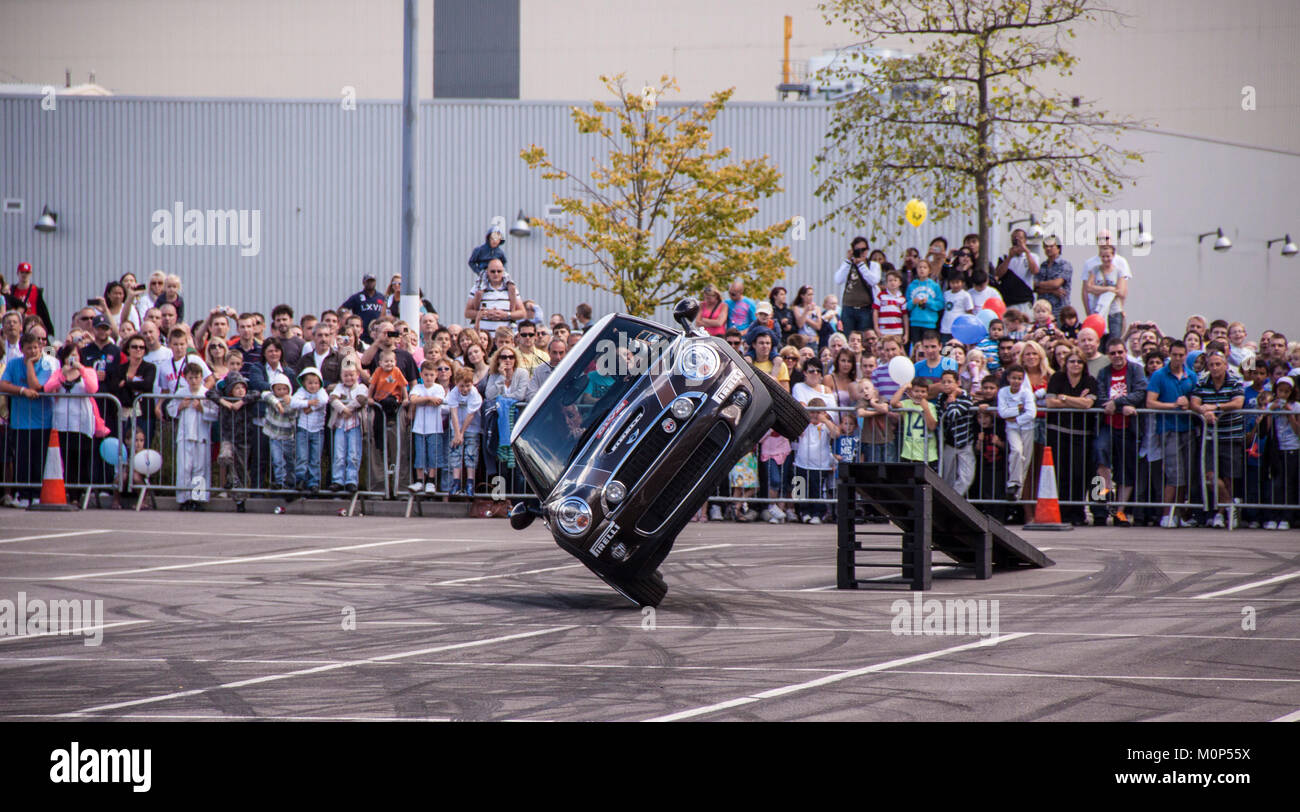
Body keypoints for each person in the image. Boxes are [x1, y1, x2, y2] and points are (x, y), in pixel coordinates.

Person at [1093, 337, 1147, 526]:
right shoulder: (1103, 373)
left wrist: (1117, 403)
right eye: (1113, 353)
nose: (1117, 356)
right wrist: (1119, 406)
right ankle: (1101, 506)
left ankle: (1121, 512)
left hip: (1128, 427)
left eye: (1120, 352)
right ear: (1108, 355)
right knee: (1100, 459)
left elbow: (1140, 392)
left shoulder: (1135, 369)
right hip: (1107, 425)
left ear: (1126, 352)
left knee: (1127, 471)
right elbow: (1100, 397)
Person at [1191, 350, 1246, 528]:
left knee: (1229, 477)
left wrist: (1215, 407)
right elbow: (1194, 403)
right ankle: (1231, 505)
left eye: (1218, 364)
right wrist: (1203, 411)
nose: (1214, 368)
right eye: (1211, 365)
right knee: (1210, 476)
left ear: (1225, 365)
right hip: (1210, 437)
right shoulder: (1202, 381)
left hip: (1231, 435)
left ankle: (1222, 514)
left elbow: (1238, 403)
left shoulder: (1235, 380)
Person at [1045, 348, 1099, 525]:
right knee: (1061, 473)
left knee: (1079, 474)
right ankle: (1062, 513)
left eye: (1079, 362)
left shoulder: (1089, 381)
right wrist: (1076, 400)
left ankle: (1078, 513)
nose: (1075, 365)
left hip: (1081, 435)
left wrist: (1064, 398)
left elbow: (1087, 404)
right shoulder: (1057, 378)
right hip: (1058, 433)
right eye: (1072, 361)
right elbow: (1050, 403)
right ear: (1065, 364)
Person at [167, 363, 217, 510]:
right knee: (184, 468)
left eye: (196, 377)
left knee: (200, 468)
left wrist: (202, 409)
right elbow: (170, 409)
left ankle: (198, 499)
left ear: (201, 377)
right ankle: (184, 499)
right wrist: (180, 406)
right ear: (185, 378)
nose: (194, 381)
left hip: (202, 436)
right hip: (185, 435)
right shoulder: (181, 393)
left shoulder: (207, 393)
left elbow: (215, 413)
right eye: (191, 378)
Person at [208, 371, 258, 511]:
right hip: (228, 438)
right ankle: (229, 476)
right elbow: (209, 393)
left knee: (240, 471)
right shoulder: (225, 399)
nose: (241, 390)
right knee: (225, 456)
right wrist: (223, 401)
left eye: (242, 387)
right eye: (237, 388)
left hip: (244, 440)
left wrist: (242, 401)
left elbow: (257, 393)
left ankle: (240, 500)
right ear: (230, 390)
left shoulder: (247, 400)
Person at [1260, 375, 1299, 529]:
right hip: (1275, 449)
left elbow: (1298, 431)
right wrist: (1269, 412)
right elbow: (1266, 430)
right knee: (1275, 484)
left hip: (1291, 448)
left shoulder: (1296, 407)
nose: (1283, 395)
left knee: (1289, 484)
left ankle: (1286, 517)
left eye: (1286, 392)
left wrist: (1290, 415)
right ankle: (1273, 516)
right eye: (1280, 391)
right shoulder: (1272, 405)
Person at [794, 397, 838, 523]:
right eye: (812, 412)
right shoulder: (804, 425)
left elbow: (836, 433)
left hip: (819, 466)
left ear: (824, 413)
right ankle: (803, 512)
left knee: (817, 491)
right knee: (800, 490)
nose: (814, 415)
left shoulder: (825, 427)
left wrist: (825, 420)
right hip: (801, 464)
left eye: (818, 412)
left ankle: (817, 514)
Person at [328, 360, 368, 494]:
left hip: (355, 425)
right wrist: (343, 409)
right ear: (341, 376)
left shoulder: (361, 387)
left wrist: (347, 408)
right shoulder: (339, 387)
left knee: (353, 454)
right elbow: (332, 398)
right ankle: (338, 480)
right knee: (339, 454)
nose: (349, 378)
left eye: (352, 375)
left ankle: (352, 480)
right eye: (346, 375)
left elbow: (361, 399)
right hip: (340, 425)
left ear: (357, 375)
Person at [405, 359, 445, 495]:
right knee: (420, 455)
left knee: (433, 455)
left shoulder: (438, 388)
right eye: (426, 375)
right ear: (421, 375)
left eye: (431, 375)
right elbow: (413, 399)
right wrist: (428, 399)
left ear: (436, 375)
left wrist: (423, 400)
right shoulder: (418, 388)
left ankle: (431, 481)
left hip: (435, 428)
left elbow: (438, 401)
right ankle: (419, 481)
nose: (428, 378)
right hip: (419, 428)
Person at [998, 364, 1036, 503]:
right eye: (1014, 378)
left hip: (1027, 428)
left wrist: (1016, 417)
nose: (1016, 381)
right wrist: (1018, 409)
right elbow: (1003, 412)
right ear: (1008, 378)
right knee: (1016, 451)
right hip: (1012, 428)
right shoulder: (1003, 392)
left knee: (1024, 459)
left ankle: (1017, 493)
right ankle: (1012, 483)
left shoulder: (1026, 393)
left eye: (1019, 379)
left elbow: (1031, 413)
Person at [290, 367, 329, 494]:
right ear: (304, 383)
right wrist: (308, 403)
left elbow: (324, 400)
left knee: (315, 458)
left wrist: (311, 408)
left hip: (318, 430)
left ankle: (314, 482)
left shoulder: (321, 392)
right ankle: (300, 479)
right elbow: (293, 402)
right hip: (303, 428)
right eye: (310, 383)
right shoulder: (301, 391)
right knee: (302, 456)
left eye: (316, 383)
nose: (313, 386)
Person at [445, 367, 483, 497]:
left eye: (467, 386)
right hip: (456, 427)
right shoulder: (454, 393)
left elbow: (470, 415)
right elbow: (453, 412)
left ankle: (470, 482)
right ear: (456, 383)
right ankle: (456, 482)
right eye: (462, 386)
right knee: (455, 452)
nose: (465, 389)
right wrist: (457, 433)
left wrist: (461, 433)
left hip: (471, 427)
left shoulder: (474, 394)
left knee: (470, 454)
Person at [937, 369, 975, 496]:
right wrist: (948, 403)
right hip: (949, 443)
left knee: (966, 477)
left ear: (958, 382)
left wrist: (952, 400)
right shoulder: (941, 398)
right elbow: (940, 416)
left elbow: (953, 414)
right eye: (944, 382)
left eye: (949, 382)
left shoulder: (966, 397)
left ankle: (954, 499)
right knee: (946, 476)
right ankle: (946, 500)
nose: (946, 385)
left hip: (964, 442)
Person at [1081, 242, 1130, 341]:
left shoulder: (1119, 271)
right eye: (1103, 257)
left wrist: (1098, 290)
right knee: (1099, 340)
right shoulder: (1095, 270)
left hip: (1114, 311)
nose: (1105, 259)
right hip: (1099, 311)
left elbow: (1120, 291)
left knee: (1114, 340)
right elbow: (1089, 288)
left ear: (1113, 256)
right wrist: (1108, 289)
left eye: (1108, 256)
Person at [464, 260, 525, 334]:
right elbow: (467, 313)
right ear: (487, 272)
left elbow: (522, 313)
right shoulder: (478, 288)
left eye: (499, 271)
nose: (496, 274)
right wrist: (485, 314)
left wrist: (506, 315)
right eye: (492, 271)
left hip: (504, 338)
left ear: (503, 272)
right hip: (484, 338)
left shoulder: (511, 289)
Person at [835, 236, 881, 333]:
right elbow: (838, 280)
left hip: (865, 308)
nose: (861, 252)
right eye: (858, 250)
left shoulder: (873, 265)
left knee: (864, 337)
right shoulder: (848, 265)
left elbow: (873, 280)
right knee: (847, 337)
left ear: (867, 250)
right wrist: (848, 261)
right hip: (848, 308)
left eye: (863, 249)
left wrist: (861, 265)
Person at [260, 373, 298, 492]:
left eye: (284, 389)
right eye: (278, 389)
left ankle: (291, 483)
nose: (282, 391)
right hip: (274, 436)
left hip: (288, 437)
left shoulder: (293, 401)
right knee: (277, 461)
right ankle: (280, 482)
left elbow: (293, 415)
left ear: (289, 389)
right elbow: (264, 394)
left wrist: (289, 404)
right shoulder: (272, 398)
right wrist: (276, 403)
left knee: (290, 461)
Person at [893, 378, 938, 468]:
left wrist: (925, 409)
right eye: (916, 391)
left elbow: (932, 426)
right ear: (911, 392)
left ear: (927, 393)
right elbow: (893, 403)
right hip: (908, 453)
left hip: (927, 454)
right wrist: (904, 387)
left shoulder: (930, 406)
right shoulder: (907, 403)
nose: (919, 394)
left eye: (923, 391)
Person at [992, 228, 1038, 318]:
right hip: (1009, 300)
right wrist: (1009, 257)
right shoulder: (1005, 257)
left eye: (1020, 238)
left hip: (1025, 298)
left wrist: (1026, 251)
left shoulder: (1032, 256)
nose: (1017, 241)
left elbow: (1035, 270)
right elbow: (998, 274)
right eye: (1014, 238)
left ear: (1025, 240)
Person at [905, 259, 943, 350]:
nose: (922, 270)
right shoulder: (911, 286)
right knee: (917, 347)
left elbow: (940, 304)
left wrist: (929, 302)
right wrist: (913, 302)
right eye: (919, 267)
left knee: (929, 347)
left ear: (929, 270)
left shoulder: (934, 286)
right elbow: (907, 306)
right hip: (915, 322)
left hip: (929, 323)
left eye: (925, 267)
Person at [6, 262, 53, 335]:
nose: (24, 275)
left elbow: (43, 311)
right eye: (22, 272)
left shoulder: (36, 291)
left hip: (32, 324)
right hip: (18, 326)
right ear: (18, 273)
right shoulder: (12, 290)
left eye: (27, 273)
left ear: (30, 274)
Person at [1034, 236, 1073, 323]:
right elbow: (1035, 287)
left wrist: (1039, 284)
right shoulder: (1042, 265)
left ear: (1058, 248)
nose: (1048, 249)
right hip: (1042, 309)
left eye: (1051, 246)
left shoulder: (1064, 265)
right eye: (1046, 247)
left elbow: (1056, 283)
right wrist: (1052, 290)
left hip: (1059, 309)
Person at [939, 268, 975, 344]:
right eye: (952, 282)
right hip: (946, 328)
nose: (955, 285)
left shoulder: (965, 295)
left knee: (958, 348)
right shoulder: (946, 294)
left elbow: (970, 312)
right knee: (946, 350)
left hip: (959, 328)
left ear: (962, 283)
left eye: (957, 282)